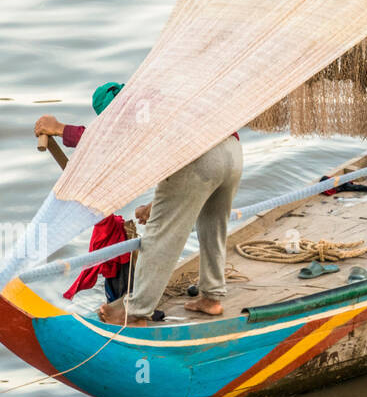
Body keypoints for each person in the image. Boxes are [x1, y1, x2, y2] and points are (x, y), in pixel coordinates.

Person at [35, 82, 243, 326]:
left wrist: (59, 129)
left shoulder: (132, 114)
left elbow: (104, 143)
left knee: (158, 237)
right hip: (231, 151)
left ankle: (136, 311)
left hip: (197, 160)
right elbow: (189, 178)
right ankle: (212, 298)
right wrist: (156, 205)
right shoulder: (159, 102)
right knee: (212, 227)